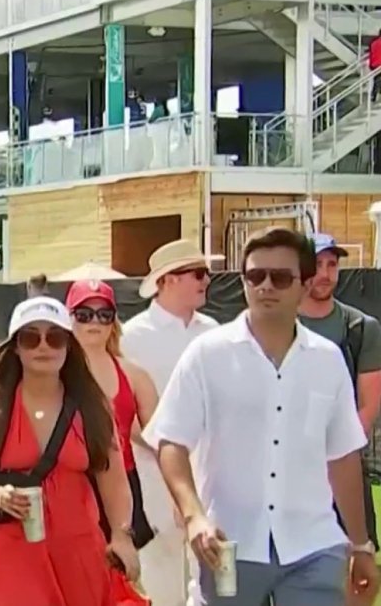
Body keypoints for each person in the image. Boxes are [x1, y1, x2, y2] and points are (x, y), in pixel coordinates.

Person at [144, 226, 380, 606]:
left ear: (304, 285)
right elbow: (171, 440)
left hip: (314, 545)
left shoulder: (328, 360)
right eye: (256, 276)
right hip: (227, 544)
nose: (266, 286)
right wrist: (193, 517)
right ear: (243, 283)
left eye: (280, 277)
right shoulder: (207, 353)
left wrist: (360, 544)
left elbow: (342, 456)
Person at [0, 296, 138, 606]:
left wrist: (122, 537)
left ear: (68, 346)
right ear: (16, 347)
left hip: (77, 552)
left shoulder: (93, 406)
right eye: (31, 338)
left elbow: (115, 483)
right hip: (9, 551)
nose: (44, 347)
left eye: (55, 338)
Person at [120, 238, 219, 606]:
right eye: (198, 273)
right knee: (162, 577)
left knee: (209, 573)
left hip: (209, 470)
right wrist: (169, 456)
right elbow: (123, 411)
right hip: (150, 473)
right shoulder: (131, 337)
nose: (206, 280)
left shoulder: (213, 332)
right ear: (168, 280)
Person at [298, 233, 381, 550]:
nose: (325, 273)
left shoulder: (360, 327)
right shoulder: (280, 325)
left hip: (343, 462)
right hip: (289, 466)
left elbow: (369, 404)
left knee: (354, 556)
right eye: (317, 264)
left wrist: (339, 450)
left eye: (332, 265)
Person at [65, 279, 158, 548]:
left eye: (104, 315)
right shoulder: (51, 373)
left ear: (114, 321)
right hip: (69, 484)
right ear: (69, 318)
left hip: (122, 484)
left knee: (119, 566)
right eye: (84, 314)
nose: (94, 322)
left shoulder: (134, 375)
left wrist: (183, 502)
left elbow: (161, 441)